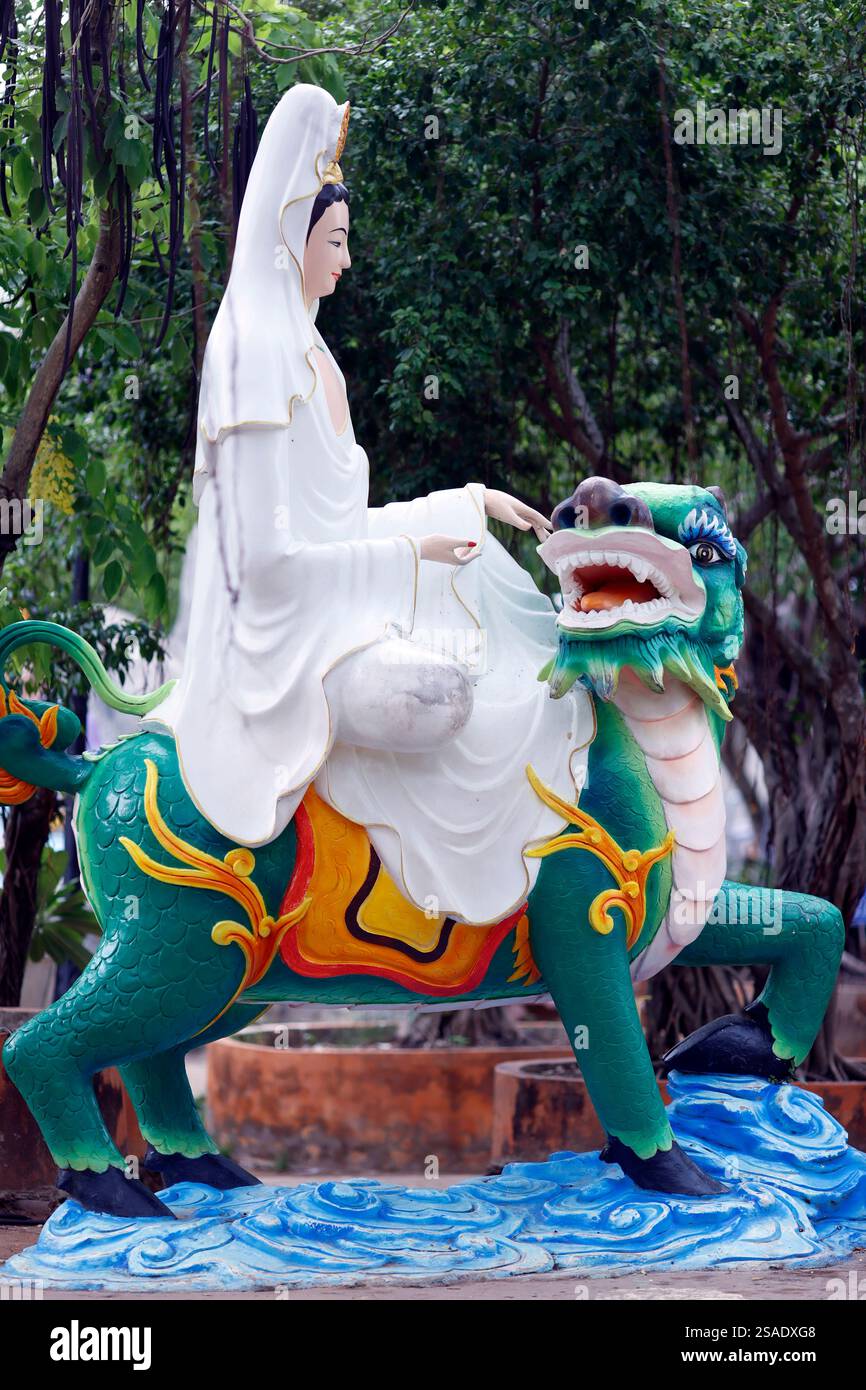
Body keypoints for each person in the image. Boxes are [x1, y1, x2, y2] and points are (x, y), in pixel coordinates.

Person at [148, 84, 590, 924]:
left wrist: (466, 505)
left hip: (333, 617)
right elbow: (264, 567)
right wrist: (406, 557)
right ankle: (435, 921)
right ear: (291, 235)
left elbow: (336, 530)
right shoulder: (253, 355)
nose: (346, 262)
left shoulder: (314, 356)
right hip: (277, 655)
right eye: (337, 239)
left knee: (510, 633)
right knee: (450, 696)